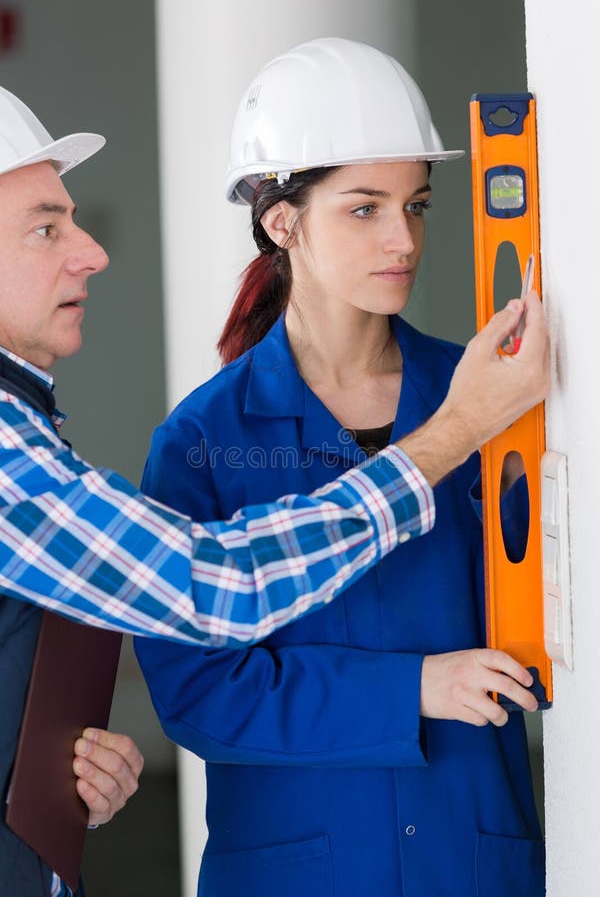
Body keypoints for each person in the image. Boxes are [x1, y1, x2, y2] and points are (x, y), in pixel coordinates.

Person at [0, 77, 547, 896]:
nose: (401, 237)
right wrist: (411, 688)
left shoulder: (487, 395)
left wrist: (45, 774)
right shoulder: (204, 438)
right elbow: (214, 617)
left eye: (416, 206)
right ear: (282, 222)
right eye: (364, 208)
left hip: (469, 853)